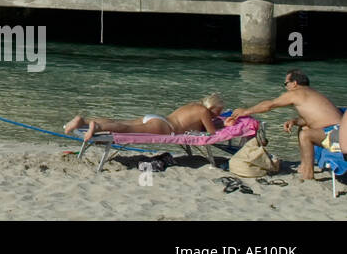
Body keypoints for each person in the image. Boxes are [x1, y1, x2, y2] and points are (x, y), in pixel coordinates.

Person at [230, 70, 343, 181]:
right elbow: (314, 119)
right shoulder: (312, 93)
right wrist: (294, 121)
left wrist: (246, 111)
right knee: (303, 128)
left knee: (305, 135)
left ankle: (308, 175)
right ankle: (304, 166)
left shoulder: (296, 93)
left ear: (294, 83)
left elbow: (269, 105)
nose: (285, 87)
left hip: (338, 134)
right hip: (337, 130)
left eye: (286, 83)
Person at [63, 94, 226, 142]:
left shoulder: (193, 105)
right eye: (218, 111)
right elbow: (212, 134)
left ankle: (83, 121)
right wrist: (224, 124)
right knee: (127, 129)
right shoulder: (204, 112)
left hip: (157, 118)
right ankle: (96, 128)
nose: (217, 115)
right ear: (212, 107)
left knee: (119, 121)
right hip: (165, 128)